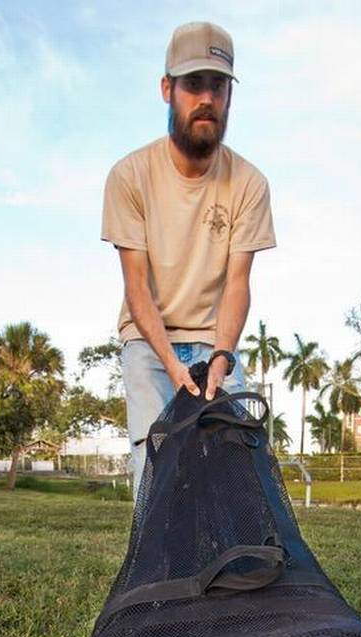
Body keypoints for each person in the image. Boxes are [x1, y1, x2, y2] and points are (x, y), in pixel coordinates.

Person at [101, 21, 276, 494]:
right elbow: (136, 287)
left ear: (229, 96)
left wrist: (221, 357)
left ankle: (231, 567)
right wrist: (173, 367)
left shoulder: (249, 182)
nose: (206, 99)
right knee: (155, 460)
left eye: (217, 86)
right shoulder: (130, 176)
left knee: (240, 465)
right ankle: (158, 569)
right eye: (193, 84)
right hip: (148, 340)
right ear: (167, 89)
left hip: (214, 340)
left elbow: (238, 283)